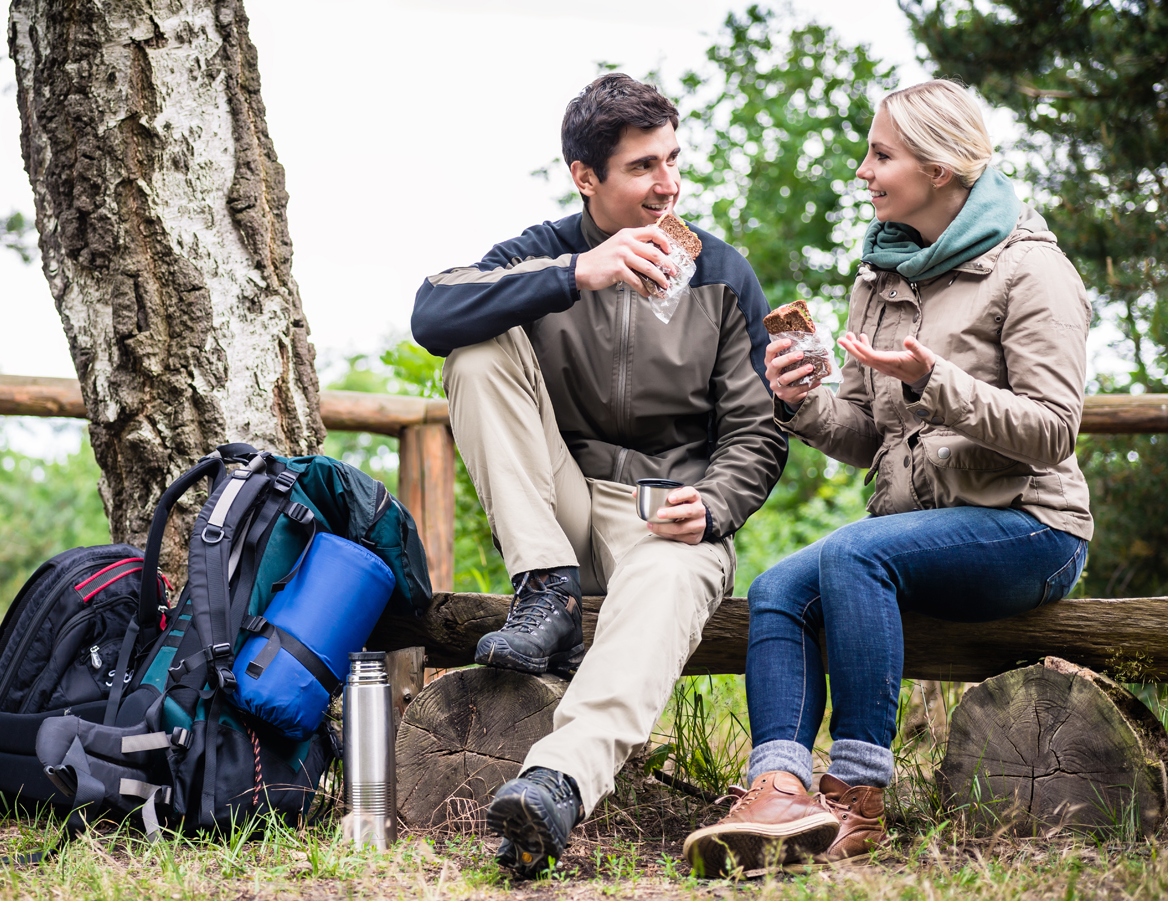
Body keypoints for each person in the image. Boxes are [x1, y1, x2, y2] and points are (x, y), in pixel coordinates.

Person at [682, 79, 1094, 878]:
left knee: (853, 551)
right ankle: (779, 790)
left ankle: (857, 794)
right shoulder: (881, 276)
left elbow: (1053, 431)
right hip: (914, 537)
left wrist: (935, 380)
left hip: (1031, 528)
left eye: (881, 155)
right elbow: (870, 434)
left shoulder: (1032, 271)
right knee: (777, 586)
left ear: (938, 169)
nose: (863, 170)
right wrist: (798, 402)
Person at [410, 73, 787, 876]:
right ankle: (545, 592)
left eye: (673, 159)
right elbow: (432, 312)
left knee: (667, 578)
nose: (668, 183)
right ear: (585, 176)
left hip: (665, 519)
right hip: (561, 510)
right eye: (643, 166)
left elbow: (758, 429)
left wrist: (715, 503)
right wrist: (577, 272)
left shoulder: (724, 275)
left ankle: (555, 782)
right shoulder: (545, 251)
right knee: (474, 351)